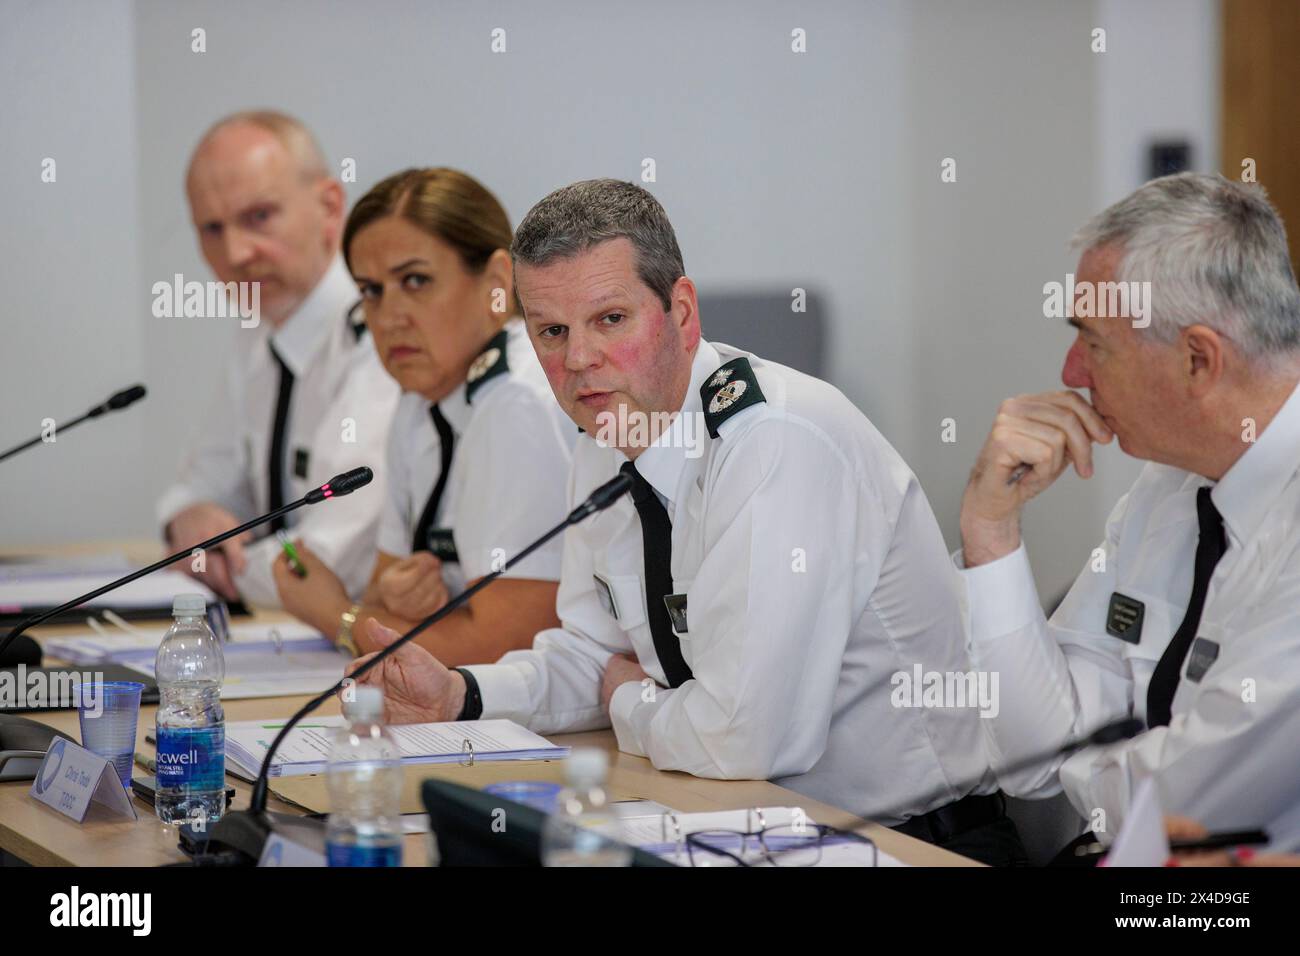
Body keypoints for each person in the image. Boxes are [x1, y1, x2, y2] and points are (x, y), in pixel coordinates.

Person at [348, 179, 1025, 865]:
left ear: (681, 312)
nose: (578, 360)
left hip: (908, 844)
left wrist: (631, 701)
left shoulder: (773, 443)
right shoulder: (603, 436)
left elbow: (744, 739)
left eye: (610, 319)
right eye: (552, 331)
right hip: (746, 822)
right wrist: (461, 694)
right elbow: (590, 653)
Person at [956, 172, 1300, 854]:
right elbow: (1031, 759)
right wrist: (989, 533)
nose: (1071, 371)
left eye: (1095, 343)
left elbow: (1182, 807)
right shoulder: (1168, 485)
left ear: (1199, 359)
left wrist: (1074, 771)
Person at [272, 168, 575, 663]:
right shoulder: (418, 402)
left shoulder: (518, 401)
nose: (389, 317)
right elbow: (381, 598)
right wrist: (392, 600)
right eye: (371, 291)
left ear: (498, 283)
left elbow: (509, 646)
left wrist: (338, 617)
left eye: (416, 281)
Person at [157, 110, 399, 607]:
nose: (236, 253)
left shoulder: (384, 334)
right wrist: (188, 520)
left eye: (258, 217)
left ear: (330, 207)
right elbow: (203, 483)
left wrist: (216, 565)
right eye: (212, 229)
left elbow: (326, 561)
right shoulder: (260, 328)